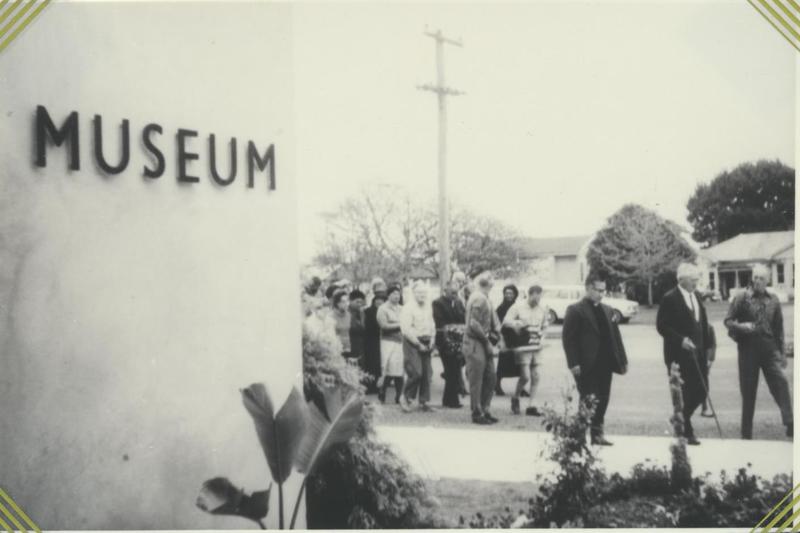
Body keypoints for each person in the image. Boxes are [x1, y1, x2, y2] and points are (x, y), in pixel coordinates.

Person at [724, 264, 793, 439]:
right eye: (755, 277)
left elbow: (778, 329)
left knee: (781, 383)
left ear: (768, 280)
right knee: (748, 392)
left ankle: (790, 422)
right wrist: (742, 326)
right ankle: (746, 434)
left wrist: (782, 353)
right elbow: (728, 321)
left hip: (769, 350)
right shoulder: (742, 297)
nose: (757, 281)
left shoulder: (774, 300)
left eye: (761, 278)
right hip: (748, 350)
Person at [562, 273, 628, 445]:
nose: (601, 294)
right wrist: (573, 363)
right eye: (598, 290)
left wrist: (622, 359)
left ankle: (597, 434)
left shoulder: (608, 310)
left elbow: (616, 337)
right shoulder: (575, 310)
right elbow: (569, 340)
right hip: (586, 365)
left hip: (606, 363)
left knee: (603, 399)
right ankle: (579, 436)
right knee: (588, 400)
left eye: (603, 290)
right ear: (588, 288)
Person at [656, 263, 715, 445]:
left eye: (697, 279)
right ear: (681, 279)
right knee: (684, 394)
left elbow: (703, 324)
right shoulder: (670, 298)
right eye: (693, 279)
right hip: (678, 356)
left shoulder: (696, 295)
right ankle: (687, 432)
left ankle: (679, 417)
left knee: (702, 390)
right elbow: (661, 326)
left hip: (698, 354)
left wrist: (707, 350)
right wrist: (681, 340)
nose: (696, 282)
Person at [502, 285, 549, 416]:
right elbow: (505, 322)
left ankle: (531, 405)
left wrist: (543, 338)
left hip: (536, 346)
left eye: (539, 298)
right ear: (530, 294)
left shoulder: (542, 309)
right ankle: (516, 397)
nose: (537, 301)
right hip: (523, 346)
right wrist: (516, 324)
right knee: (525, 376)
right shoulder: (518, 307)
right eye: (535, 298)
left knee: (536, 376)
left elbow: (545, 326)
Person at [463, 273, 501, 425]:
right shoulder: (479, 297)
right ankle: (477, 412)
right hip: (475, 342)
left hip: (482, 341)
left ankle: (485, 409)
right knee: (477, 380)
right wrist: (486, 342)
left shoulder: (484, 297)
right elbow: (473, 323)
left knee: (490, 377)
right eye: (488, 278)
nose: (490, 280)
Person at [400, 281, 436, 412]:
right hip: (412, 342)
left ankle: (423, 401)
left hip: (426, 340)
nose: (422, 295)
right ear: (413, 293)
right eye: (419, 292)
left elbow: (432, 324)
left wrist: (432, 339)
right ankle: (405, 397)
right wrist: (417, 344)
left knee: (427, 373)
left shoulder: (428, 306)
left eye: (424, 293)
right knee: (416, 372)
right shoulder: (408, 308)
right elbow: (406, 330)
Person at [433, 280, 467, 408]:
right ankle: (453, 400)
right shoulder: (438, 303)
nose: (455, 294)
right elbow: (439, 321)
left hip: (458, 339)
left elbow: (463, 318)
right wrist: (455, 327)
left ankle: (448, 399)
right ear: (445, 291)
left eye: (456, 292)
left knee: (454, 369)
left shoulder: (458, 302)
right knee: (451, 369)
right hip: (445, 340)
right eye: (452, 292)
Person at [376, 285, 405, 404]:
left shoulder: (402, 308)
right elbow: (384, 325)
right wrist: (400, 324)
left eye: (398, 294)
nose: (396, 296)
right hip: (387, 341)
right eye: (393, 293)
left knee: (399, 368)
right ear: (388, 295)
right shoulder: (382, 309)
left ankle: (399, 395)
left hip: (400, 341)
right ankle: (382, 391)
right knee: (388, 367)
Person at [495, 284, 521, 396]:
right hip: (505, 339)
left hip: (517, 340)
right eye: (506, 293)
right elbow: (497, 324)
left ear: (515, 294)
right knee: (503, 364)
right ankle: (497, 385)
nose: (508, 295)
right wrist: (500, 339)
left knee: (520, 364)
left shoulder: (518, 307)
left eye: (511, 293)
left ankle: (521, 387)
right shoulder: (500, 308)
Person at [363, 288, 386, 394]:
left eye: (381, 300)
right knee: (370, 363)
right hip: (369, 340)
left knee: (378, 363)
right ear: (374, 301)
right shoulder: (367, 311)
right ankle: (369, 385)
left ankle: (377, 385)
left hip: (380, 340)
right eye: (377, 300)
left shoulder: (384, 311)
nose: (379, 302)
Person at [701, 324, 717, 417]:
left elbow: (713, 345)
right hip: (690, 358)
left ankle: (704, 408)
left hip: (704, 359)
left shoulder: (709, 327)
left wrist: (710, 360)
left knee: (704, 383)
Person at [348, 289, 367, 366]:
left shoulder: (362, 313)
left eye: (361, 302)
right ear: (350, 301)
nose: (359, 304)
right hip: (351, 345)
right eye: (357, 302)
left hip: (361, 346)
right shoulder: (347, 313)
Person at [331, 290, 352, 358]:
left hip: (347, 349)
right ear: (337, 303)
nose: (347, 304)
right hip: (335, 350)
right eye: (343, 302)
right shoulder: (330, 316)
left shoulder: (349, 315)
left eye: (347, 301)